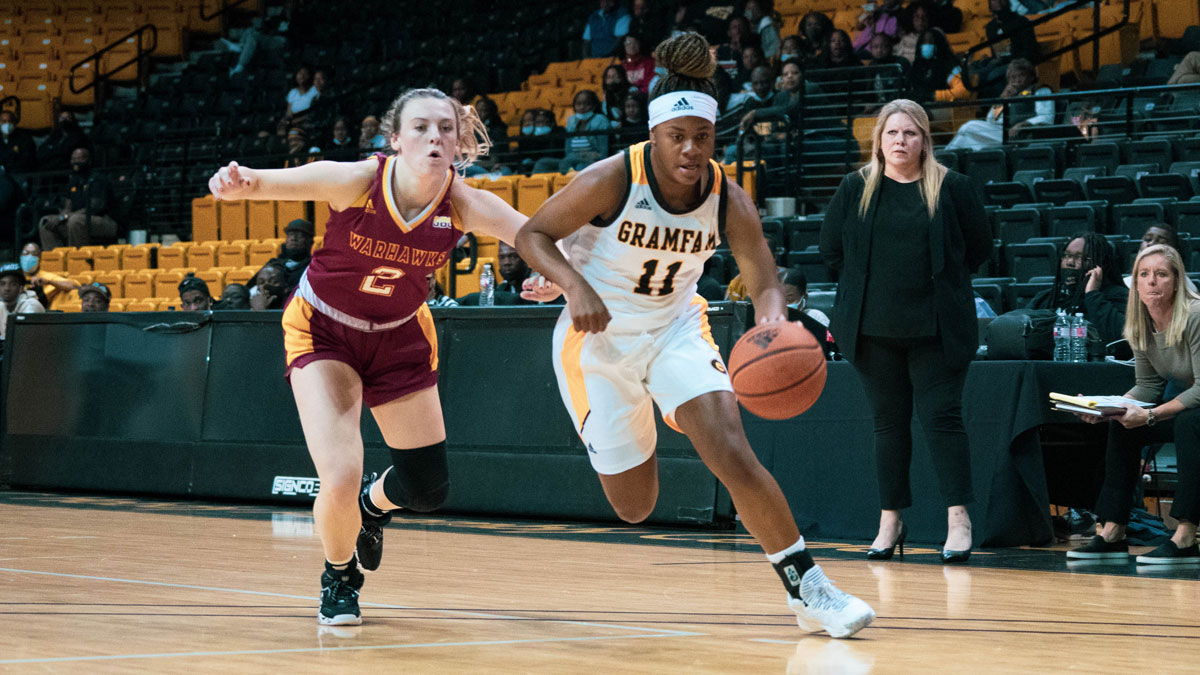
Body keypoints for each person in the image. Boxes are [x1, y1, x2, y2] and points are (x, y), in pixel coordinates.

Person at [515, 31, 875, 639]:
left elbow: (764, 279)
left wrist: (772, 322)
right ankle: (630, 417)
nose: (689, 150)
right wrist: (574, 286)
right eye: (677, 137)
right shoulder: (611, 177)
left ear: (714, 139)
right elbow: (532, 236)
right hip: (597, 343)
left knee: (732, 450)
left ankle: (810, 590)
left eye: (702, 138)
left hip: (675, 329)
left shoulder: (727, 197)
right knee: (636, 506)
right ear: (653, 136)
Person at [208, 86, 559, 626]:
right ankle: (339, 573)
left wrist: (555, 278)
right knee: (341, 474)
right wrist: (237, 184)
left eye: (446, 128)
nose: (434, 137)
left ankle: (373, 508)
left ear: (459, 140)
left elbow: (535, 236)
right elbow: (265, 183)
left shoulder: (463, 203)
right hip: (325, 331)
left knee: (427, 488)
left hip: (398, 334)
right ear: (394, 138)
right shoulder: (357, 181)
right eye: (420, 127)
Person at [819, 99, 992, 564]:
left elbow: (978, 247)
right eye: (892, 134)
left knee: (943, 422)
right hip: (874, 331)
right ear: (878, 140)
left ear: (924, 140)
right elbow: (830, 249)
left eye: (910, 133)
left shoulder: (952, 188)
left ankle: (959, 520)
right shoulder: (855, 188)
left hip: (936, 329)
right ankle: (890, 521)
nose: (901, 141)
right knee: (888, 428)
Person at [1066, 245, 1200, 565]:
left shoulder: (1195, 316)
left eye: (1161, 274)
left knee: (1189, 422)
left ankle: (1185, 537)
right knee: (1124, 425)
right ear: (1135, 284)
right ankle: (1113, 531)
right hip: (1191, 405)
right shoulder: (1140, 323)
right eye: (1144, 274)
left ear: (1177, 281)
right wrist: (1107, 409)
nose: (1152, 281)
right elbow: (1149, 385)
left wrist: (1150, 415)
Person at [1026, 233, 1128, 349]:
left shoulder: (1118, 296)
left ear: (1100, 265)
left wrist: (1092, 293)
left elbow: (1121, 340)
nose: (1070, 262)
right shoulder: (1046, 298)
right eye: (1066, 255)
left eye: (1082, 258)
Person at [945, 58, 1052, 150]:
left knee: (968, 128)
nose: (1017, 81)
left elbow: (1046, 118)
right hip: (999, 132)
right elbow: (991, 120)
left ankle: (944, 156)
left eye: (1021, 76)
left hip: (1021, 135)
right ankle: (947, 156)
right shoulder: (1009, 94)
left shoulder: (1040, 90)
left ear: (1031, 77)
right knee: (966, 137)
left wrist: (1023, 124)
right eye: (1013, 77)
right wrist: (1002, 99)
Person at [38, 147, 119, 249]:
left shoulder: (97, 179)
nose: (75, 162)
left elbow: (94, 208)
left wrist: (65, 217)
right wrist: (59, 217)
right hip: (75, 218)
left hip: (104, 221)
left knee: (75, 220)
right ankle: (56, 258)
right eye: (73, 159)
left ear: (88, 160)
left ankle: (77, 257)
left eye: (79, 159)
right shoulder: (73, 180)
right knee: (46, 222)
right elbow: (67, 207)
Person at [534, 90, 612, 174]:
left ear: (594, 106)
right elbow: (568, 150)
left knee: (579, 166)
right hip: (571, 160)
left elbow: (603, 153)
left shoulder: (600, 120)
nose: (582, 107)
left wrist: (579, 157)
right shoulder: (571, 120)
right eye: (578, 104)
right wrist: (572, 158)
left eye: (587, 104)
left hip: (592, 161)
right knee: (542, 163)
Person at [20, 242, 79, 310]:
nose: (28, 257)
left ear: (40, 259)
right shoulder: (15, 275)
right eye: (25, 253)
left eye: (33, 254)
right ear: (20, 256)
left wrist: (49, 282)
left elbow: (72, 285)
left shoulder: (45, 277)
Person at [0, 263, 44, 339]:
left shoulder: (31, 306)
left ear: (21, 288)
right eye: (2, 284)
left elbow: (26, 340)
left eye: (13, 284)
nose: (7, 288)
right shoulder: (2, 306)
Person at [272, 218, 315, 287]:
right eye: (290, 235)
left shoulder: (313, 268)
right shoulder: (273, 264)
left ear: (310, 242)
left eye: (300, 235)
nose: (293, 238)